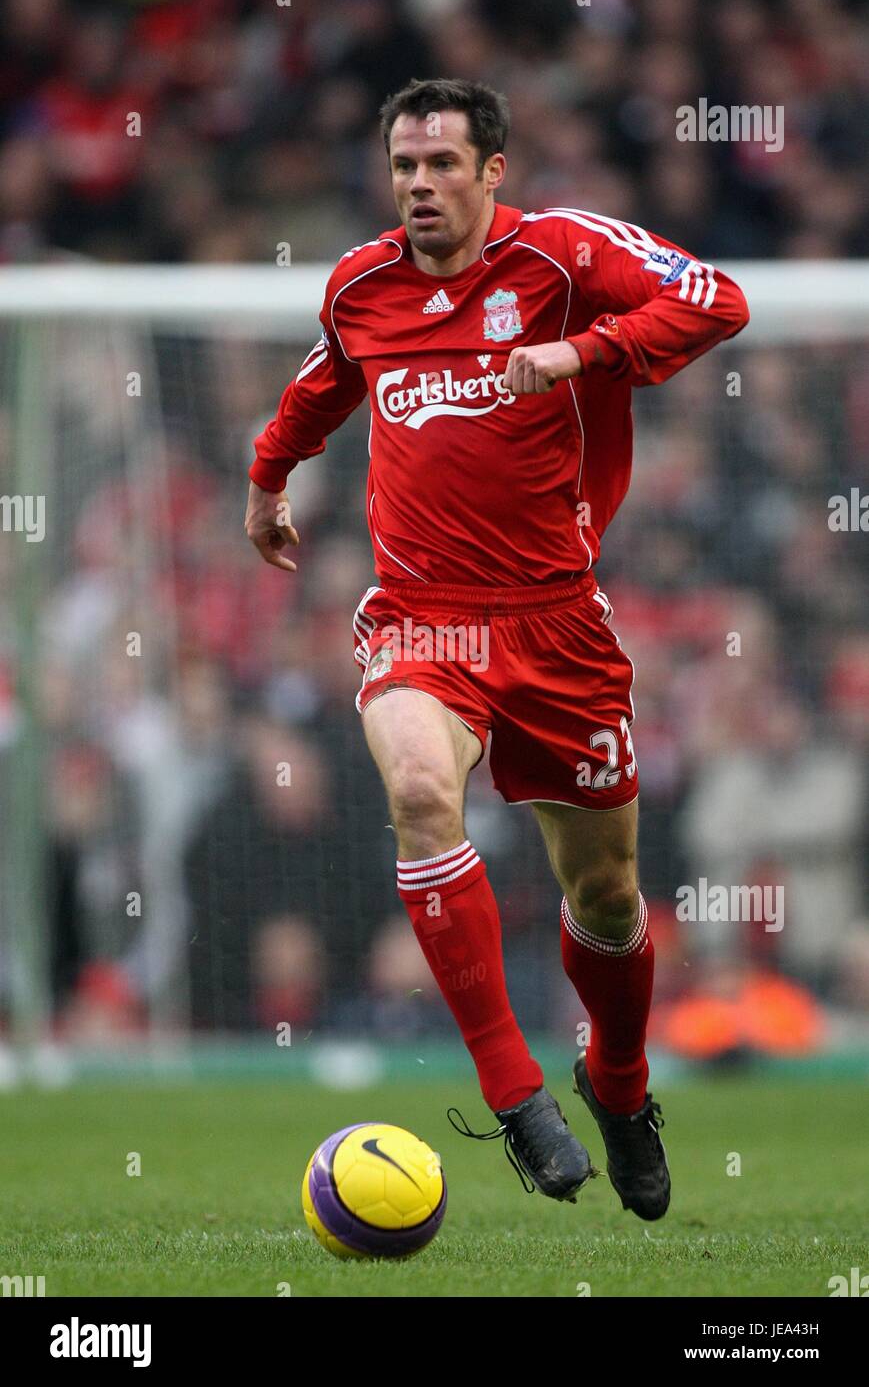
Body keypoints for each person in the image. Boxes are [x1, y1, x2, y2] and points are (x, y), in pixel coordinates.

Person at [244, 78, 749, 1220]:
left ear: (490, 172)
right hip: (421, 616)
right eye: (403, 166)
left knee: (607, 895)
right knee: (422, 791)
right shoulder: (360, 284)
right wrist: (268, 476)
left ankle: (616, 1083)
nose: (419, 184)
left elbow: (717, 301)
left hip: (557, 622)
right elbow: (328, 381)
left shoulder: (565, 258)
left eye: (440, 165)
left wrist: (588, 354)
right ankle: (515, 1096)